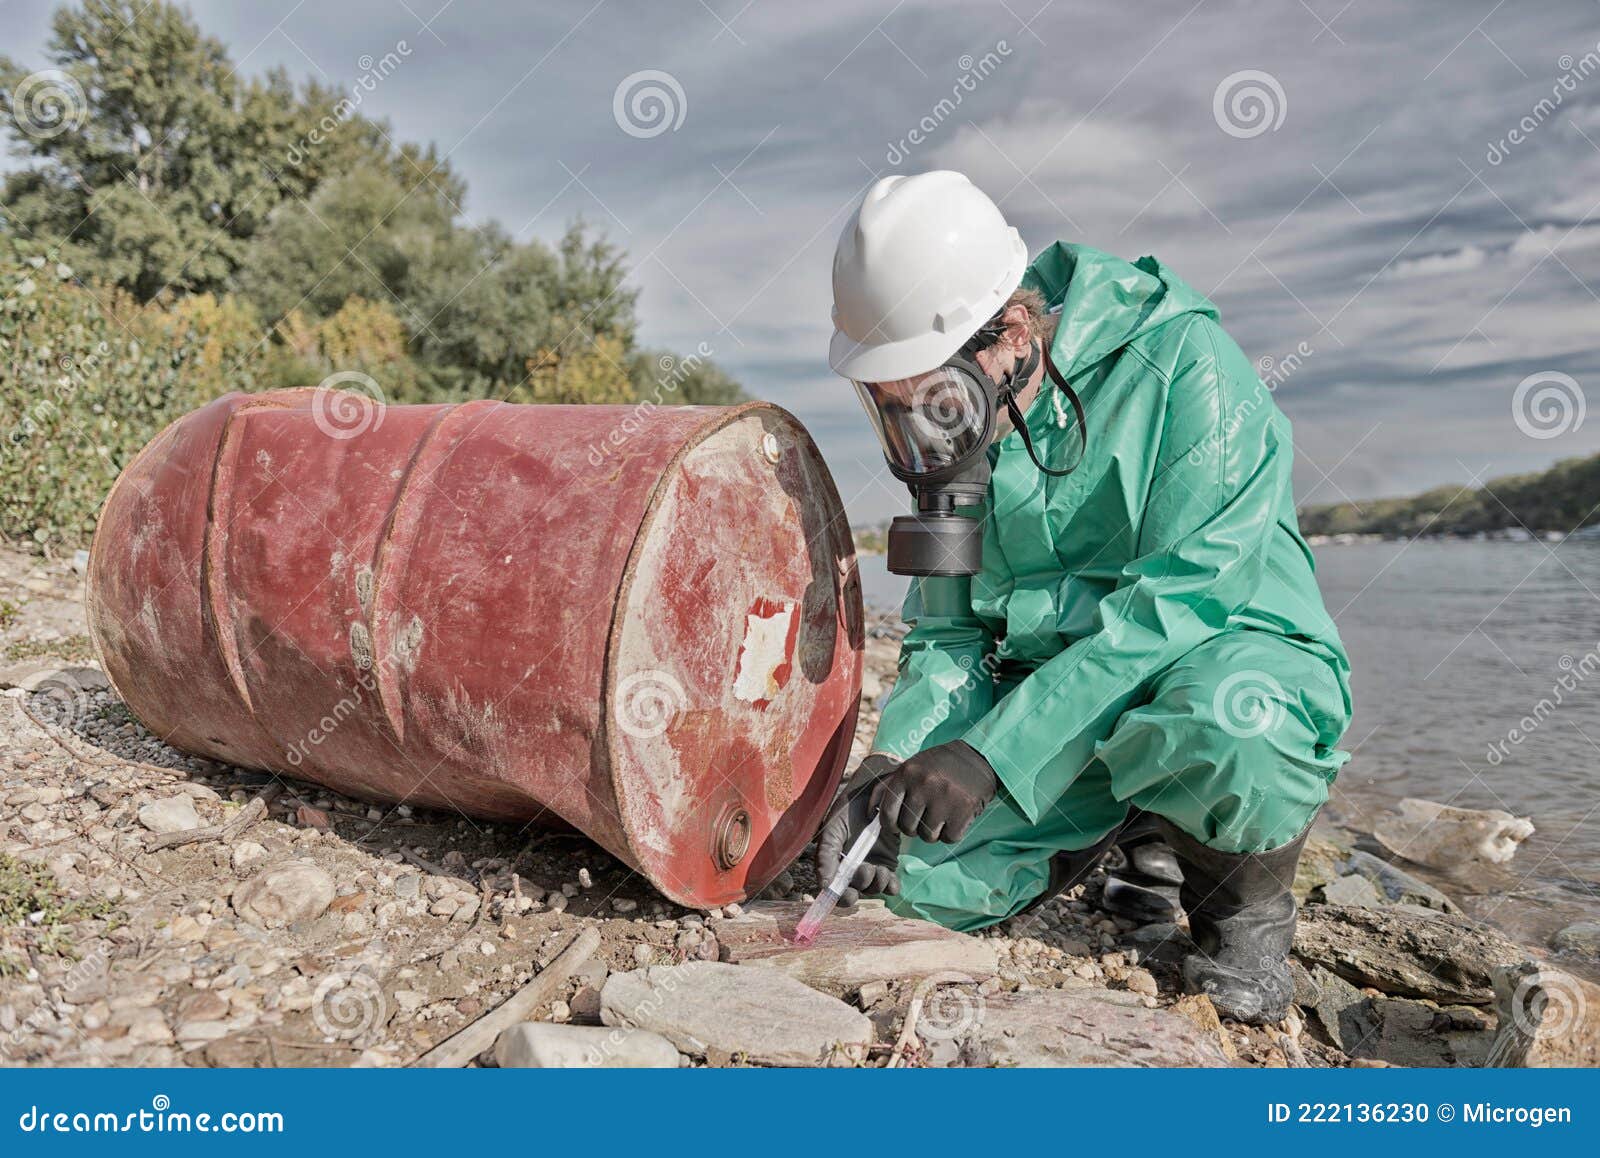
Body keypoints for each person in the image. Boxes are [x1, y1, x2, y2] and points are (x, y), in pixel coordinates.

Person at [817, 170, 1352, 1025]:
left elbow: (1179, 607)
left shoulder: (1185, 364)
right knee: (903, 883)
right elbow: (947, 637)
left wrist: (991, 757)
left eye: (930, 394)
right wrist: (896, 764)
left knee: (1231, 727)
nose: (919, 427)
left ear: (1012, 334)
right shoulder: (954, 439)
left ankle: (1240, 914)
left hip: (1214, 658)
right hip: (1051, 703)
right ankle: (1133, 827)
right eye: (892, 403)